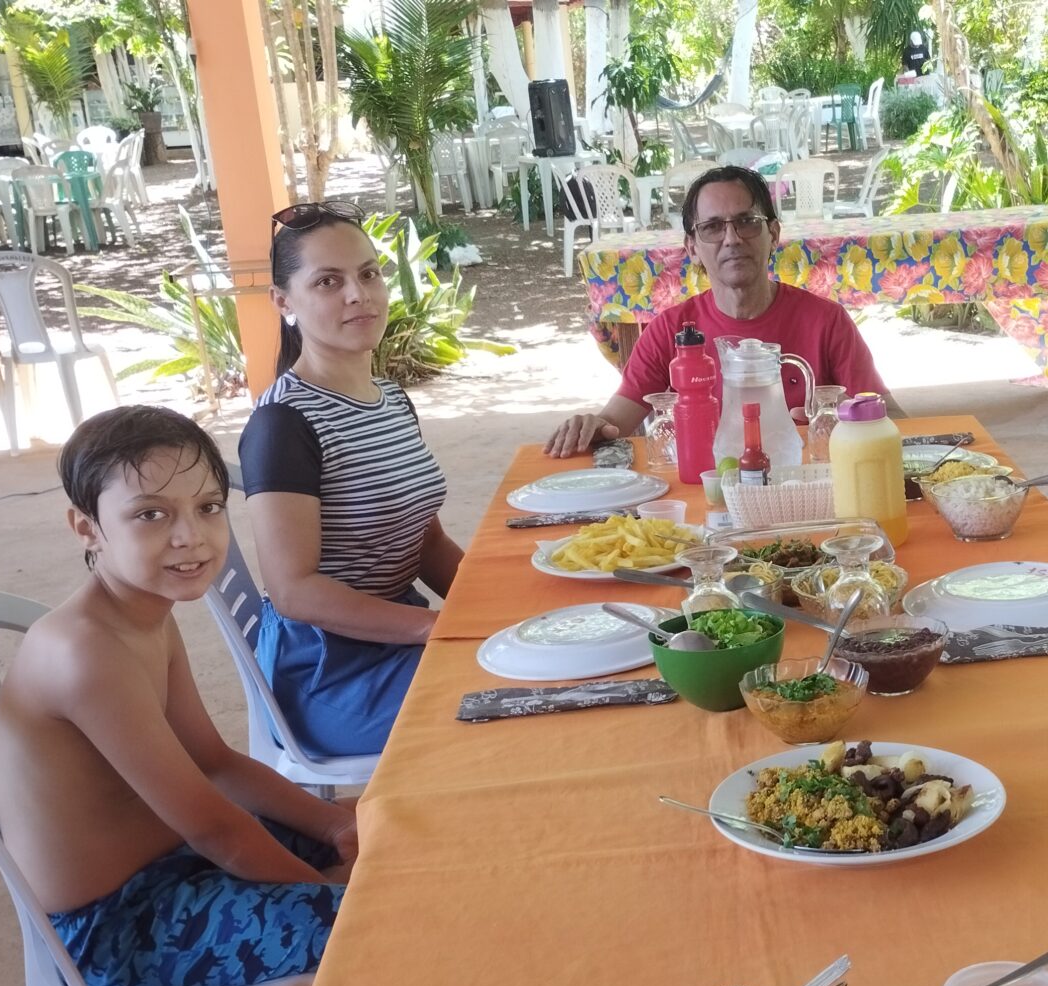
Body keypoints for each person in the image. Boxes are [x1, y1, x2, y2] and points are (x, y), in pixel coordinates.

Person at [0, 406, 358, 986]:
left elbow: (214, 762)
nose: (190, 536)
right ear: (86, 528)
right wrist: (330, 893)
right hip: (118, 927)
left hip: (183, 858)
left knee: (394, 828)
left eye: (208, 507)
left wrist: (338, 823)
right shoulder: (86, 652)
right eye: (150, 514)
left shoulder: (147, 615)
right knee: (388, 917)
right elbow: (218, 830)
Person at [240, 200, 465, 757]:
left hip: (398, 629)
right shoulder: (283, 424)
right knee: (512, 691)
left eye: (368, 273)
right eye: (327, 281)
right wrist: (438, 629)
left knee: (547, 652)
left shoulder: (390, 400)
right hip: (328, 671)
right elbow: (294, 591)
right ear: (283, 302)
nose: (358, 293)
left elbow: (426, 540)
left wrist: (493, 605)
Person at [547, 166, 896, 457]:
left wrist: (841, 420)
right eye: (712, 227)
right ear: (692, 248)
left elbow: (892, 420)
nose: (731, 239)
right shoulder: (670, 331)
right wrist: (590, 427)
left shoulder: (826, 321)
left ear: (773, 234)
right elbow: (614, 423)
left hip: (804, 491)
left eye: (746, 221)